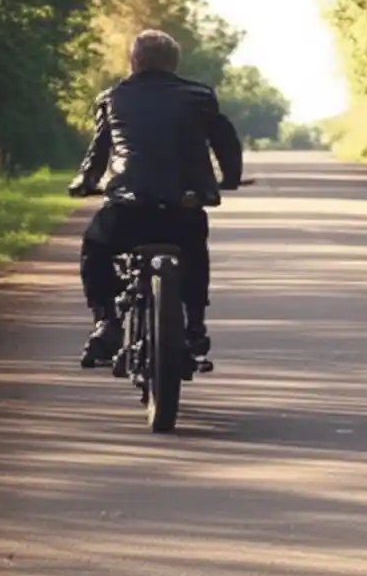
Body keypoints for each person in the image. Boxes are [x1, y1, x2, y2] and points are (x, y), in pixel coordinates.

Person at [69, 29, 243, 374]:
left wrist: (84, 183)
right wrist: (230, 179)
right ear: (174, 63)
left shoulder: (112, 98)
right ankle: (195, 325)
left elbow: (99, 152)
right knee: (194, 253)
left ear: (134, 61)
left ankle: (106, 320)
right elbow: (226, 141)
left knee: (95, 247)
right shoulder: (200, 96)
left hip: (127, 212)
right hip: (182, 210)